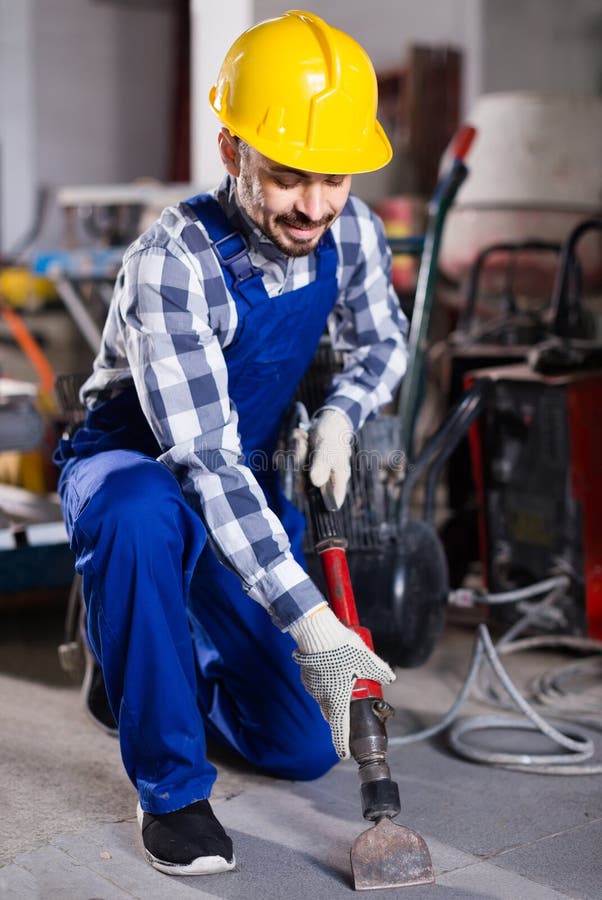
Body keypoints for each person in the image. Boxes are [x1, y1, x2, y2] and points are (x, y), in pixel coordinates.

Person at [55, 9, 408, 877]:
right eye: (288, 177)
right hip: (136, 466)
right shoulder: (173, 261)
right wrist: (314, 622)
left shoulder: (349, 230)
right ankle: (172, 791)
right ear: (231, 149)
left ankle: (138, 668)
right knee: (141, 511)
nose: (315, 206)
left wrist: (341, 414)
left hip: (240, 476)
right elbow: (200, 459)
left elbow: (384, 342)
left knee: (299, 746)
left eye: (334, 179)